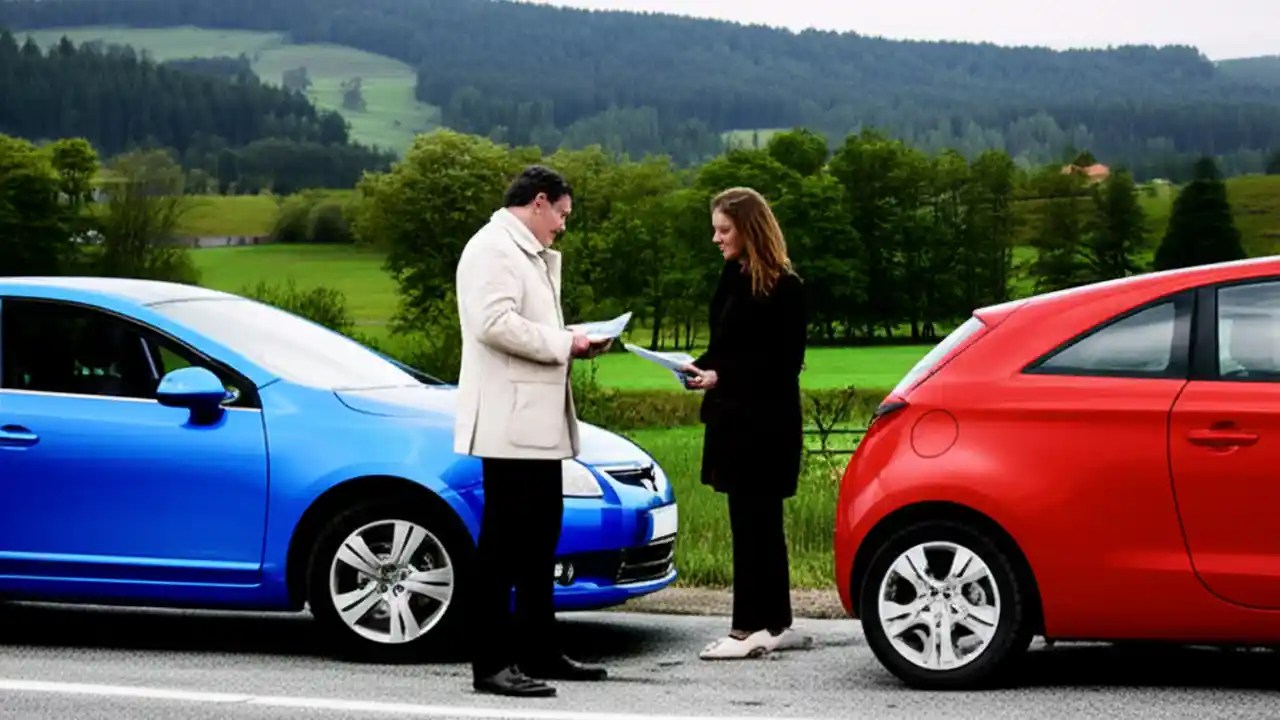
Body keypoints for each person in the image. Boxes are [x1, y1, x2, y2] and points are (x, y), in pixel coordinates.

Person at [454, 165, 610, 697]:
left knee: (541, 540)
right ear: (539, 202)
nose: (562, 226)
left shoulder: (522, 250)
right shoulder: (492, 248)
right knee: (503, 543)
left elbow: (529, 324)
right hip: (508, 423)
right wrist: (566, 344)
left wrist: (573, 336)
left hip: (532, 423)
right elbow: (493, 323)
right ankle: (491, 664)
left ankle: (540, 647)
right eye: (562, 215)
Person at [680, 186, 813, 660]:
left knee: (757, 524)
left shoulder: (785, 288)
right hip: (732, 420)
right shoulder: (731, 278)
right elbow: (725, 347)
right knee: (754, 523)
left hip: (766, 425)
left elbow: (783, 363)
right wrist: (696, 368)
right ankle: (774, 622)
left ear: (749, 230)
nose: (716, 238)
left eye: (724, 229)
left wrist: (722, 374)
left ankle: (748, 629)